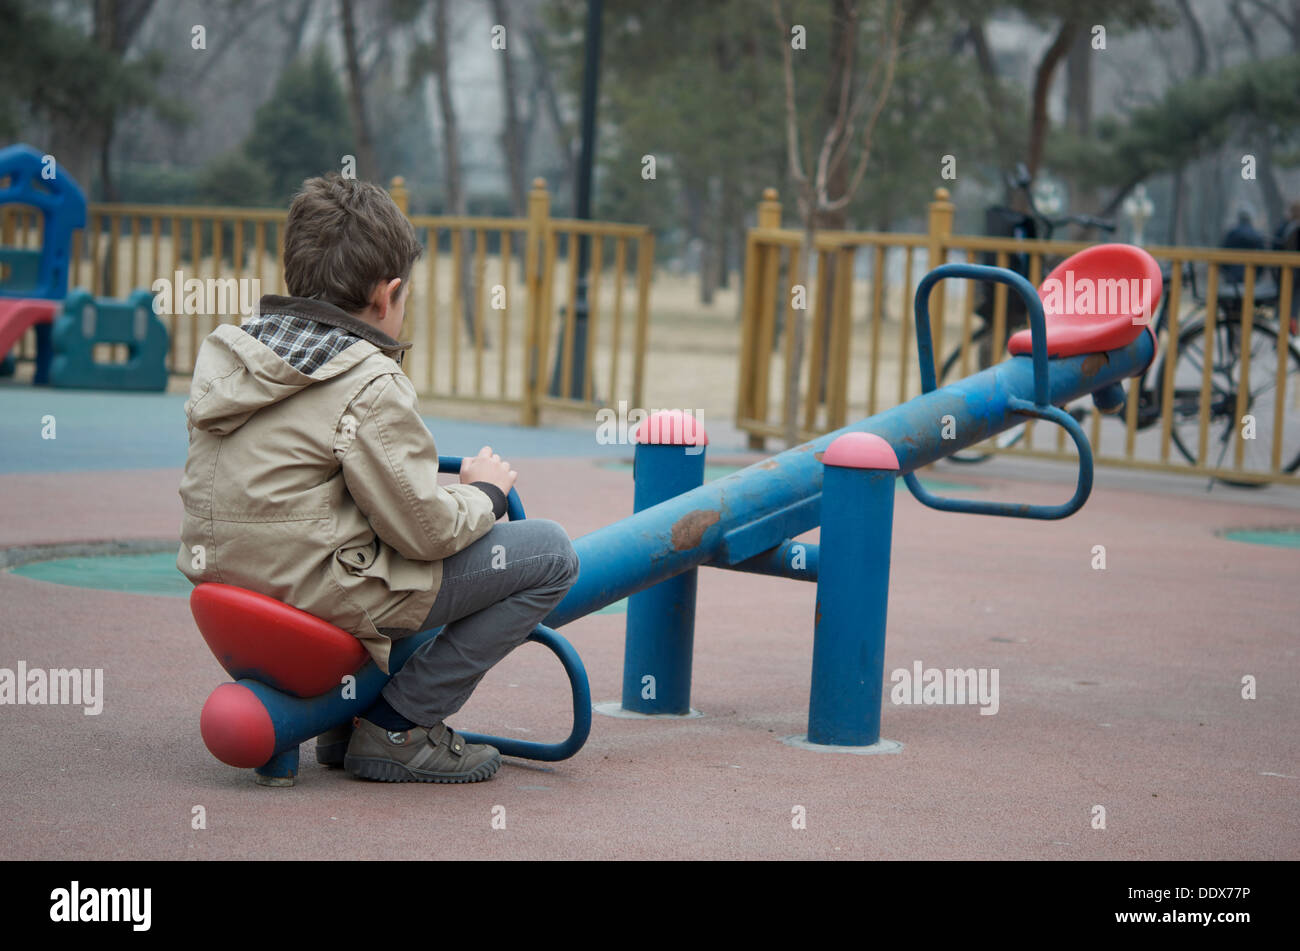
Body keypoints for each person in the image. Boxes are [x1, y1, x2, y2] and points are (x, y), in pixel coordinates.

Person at [177, 174, 579, 784]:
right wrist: (485, 493)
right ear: (388, 295)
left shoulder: (233, 358)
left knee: (356, 535)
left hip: (229, 588)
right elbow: (424, 531)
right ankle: (400, 726)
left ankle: (347, 717)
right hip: (319, 596)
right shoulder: (367, 380)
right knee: (548, 553)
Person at [1220, 207, 1267, 285]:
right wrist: (1257, 275)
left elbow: (1222, 255)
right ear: (1250, 219)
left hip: (1232, 278)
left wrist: (1227, 273)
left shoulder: (1231, 234)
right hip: (1252, 278)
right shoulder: (1257, 235)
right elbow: (1263, 260)